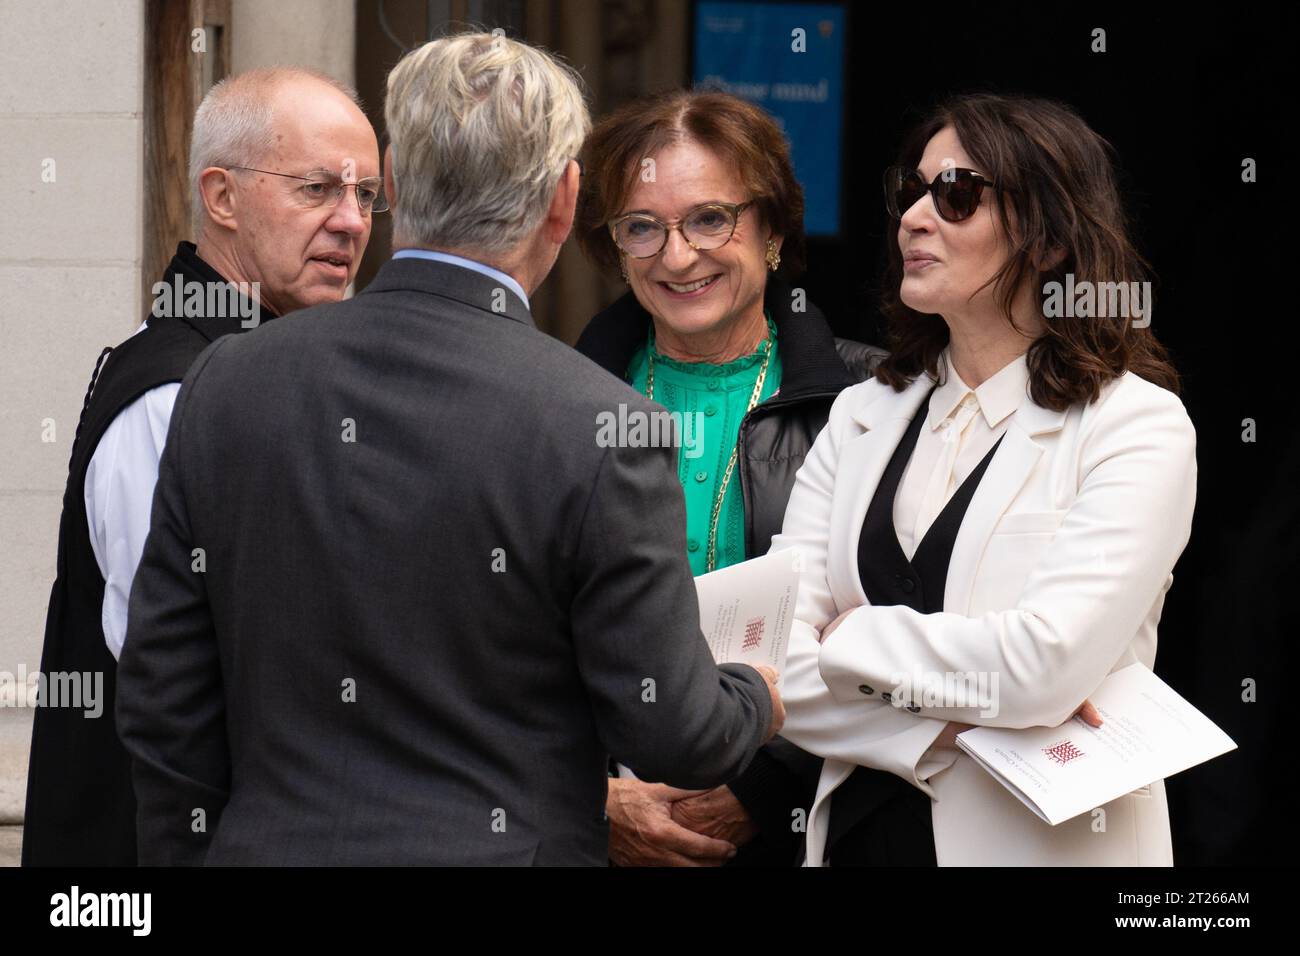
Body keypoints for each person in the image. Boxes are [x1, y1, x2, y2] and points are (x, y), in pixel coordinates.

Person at [115, 33, 782, 866]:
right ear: (564, 201)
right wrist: (758, 696)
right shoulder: (602, 426)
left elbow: (163, 704)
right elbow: (676, 731)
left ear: (392, 178)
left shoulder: (228, 380)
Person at [772, 93, 1196, 866]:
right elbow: (772, 666)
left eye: (956, 194)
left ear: (1046, 236)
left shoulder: (1136, 426)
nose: (914, 218)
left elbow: (1042, 667)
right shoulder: (860, 414)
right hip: (857, 843)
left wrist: (850, 639)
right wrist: (961, 723)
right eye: (910, 189)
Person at [22, 67, 380, 867]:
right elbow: (192, 686)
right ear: (221, 197)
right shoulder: (175, 392)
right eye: (318, 188)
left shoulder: (261, 366)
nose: (351, 222)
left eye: (366, 197)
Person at [573, 89, 883, 867]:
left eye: (711, 218)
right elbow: (490, 643)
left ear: (772, 229)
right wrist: (593, 798)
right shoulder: (555, 402)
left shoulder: (873, 401)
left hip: (802, 826)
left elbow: (904, 631)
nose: (678, 257)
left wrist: (764, 788)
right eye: (642, 228)